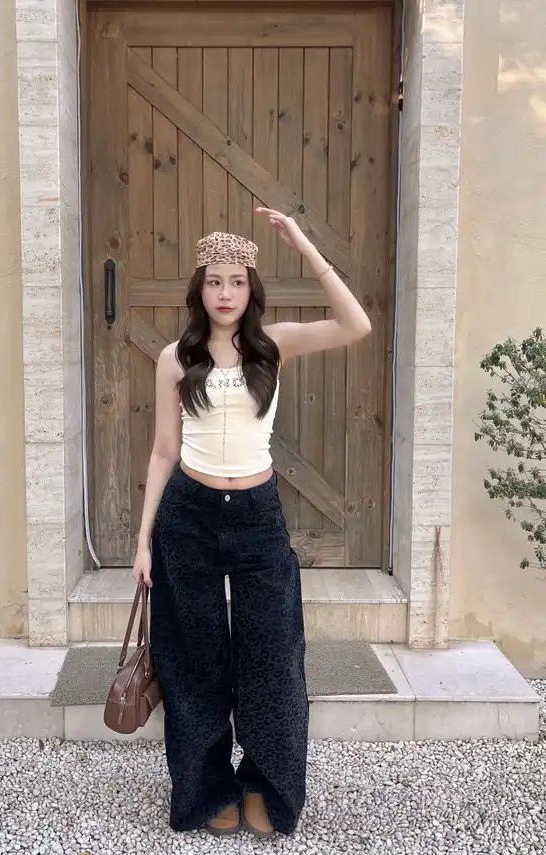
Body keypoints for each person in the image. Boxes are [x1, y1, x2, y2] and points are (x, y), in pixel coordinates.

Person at [132, 208, 371, 838]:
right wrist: (143, 541)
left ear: (250, 289)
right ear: (199, 288)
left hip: (259, 516)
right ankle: (207, 787)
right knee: (195, 657)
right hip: (188, 515)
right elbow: (163, 451)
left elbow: (357, 324)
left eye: (237, 282)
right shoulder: (174, 358)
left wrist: (302, 242)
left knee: (273, 657)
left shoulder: (273, 345)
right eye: (215, 281)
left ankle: (266, 782)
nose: (226, 293)